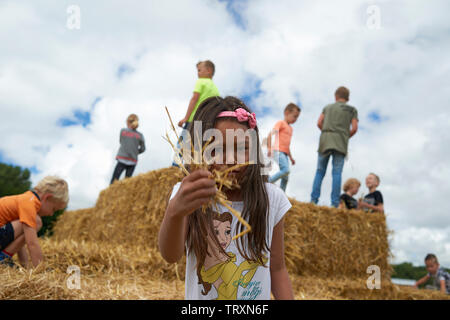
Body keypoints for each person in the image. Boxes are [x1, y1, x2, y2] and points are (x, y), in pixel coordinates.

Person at [159, 96, 294, 300]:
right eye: (217, 149)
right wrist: (175, 212)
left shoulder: (272, 198)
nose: (231, 159)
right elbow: (170, 255)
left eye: (242, 148)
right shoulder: (188, 194)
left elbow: (277, 268)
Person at [0, 176, 69, 268]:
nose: (51, 214)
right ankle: (3, 259)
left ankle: (4, 258)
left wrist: (26, 268)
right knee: (37, 221)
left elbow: (19, 245)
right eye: (54, 209)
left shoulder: (27, 199)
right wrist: (41, 270)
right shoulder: (29, 203)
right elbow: (32, 243)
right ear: (47, 197)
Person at [310, 86, 358, 208]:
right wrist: (344, 136)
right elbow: (354, 128)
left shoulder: (327, 107)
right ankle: (335, 203)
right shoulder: (352, 110)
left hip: (325, 140)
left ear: (335, 96)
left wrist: (326, 132)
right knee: (337, 173)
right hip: (341, 142)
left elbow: (319, 123)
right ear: (347, 98)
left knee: (320, 171)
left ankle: (313, 201)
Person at [173, 60, 220, 166]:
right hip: (205, 122)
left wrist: (186, 118)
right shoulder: (215, 88)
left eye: (199, 70)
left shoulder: (201, 82)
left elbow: (194, 99)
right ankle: (193, 166)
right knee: (197, 146)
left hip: (193, 119)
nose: (198, 73)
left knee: (183, 143)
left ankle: (175, 166)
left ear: (208, 70)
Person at [267, 103, 301, 192]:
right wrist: (269, 148)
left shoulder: (291, 129)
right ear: (286, 113)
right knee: (285, 170)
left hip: (285, 154)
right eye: (294, 116)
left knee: (285, 178)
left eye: (297, 117)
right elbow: (270, 135)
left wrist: (291, 157)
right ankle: (266, 183)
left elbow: (287, 145)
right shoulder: (281, 123)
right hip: (277, 151)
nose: (296, 119)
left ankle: (281, 195)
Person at [110, 114, 146, 184]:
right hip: (133, 161)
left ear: (127, 122)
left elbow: (121, 142)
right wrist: (135, 152)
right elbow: (143, 149)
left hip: (121, 158)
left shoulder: (123, 131)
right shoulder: (140, 135)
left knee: (114, 180)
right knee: (127, 184)